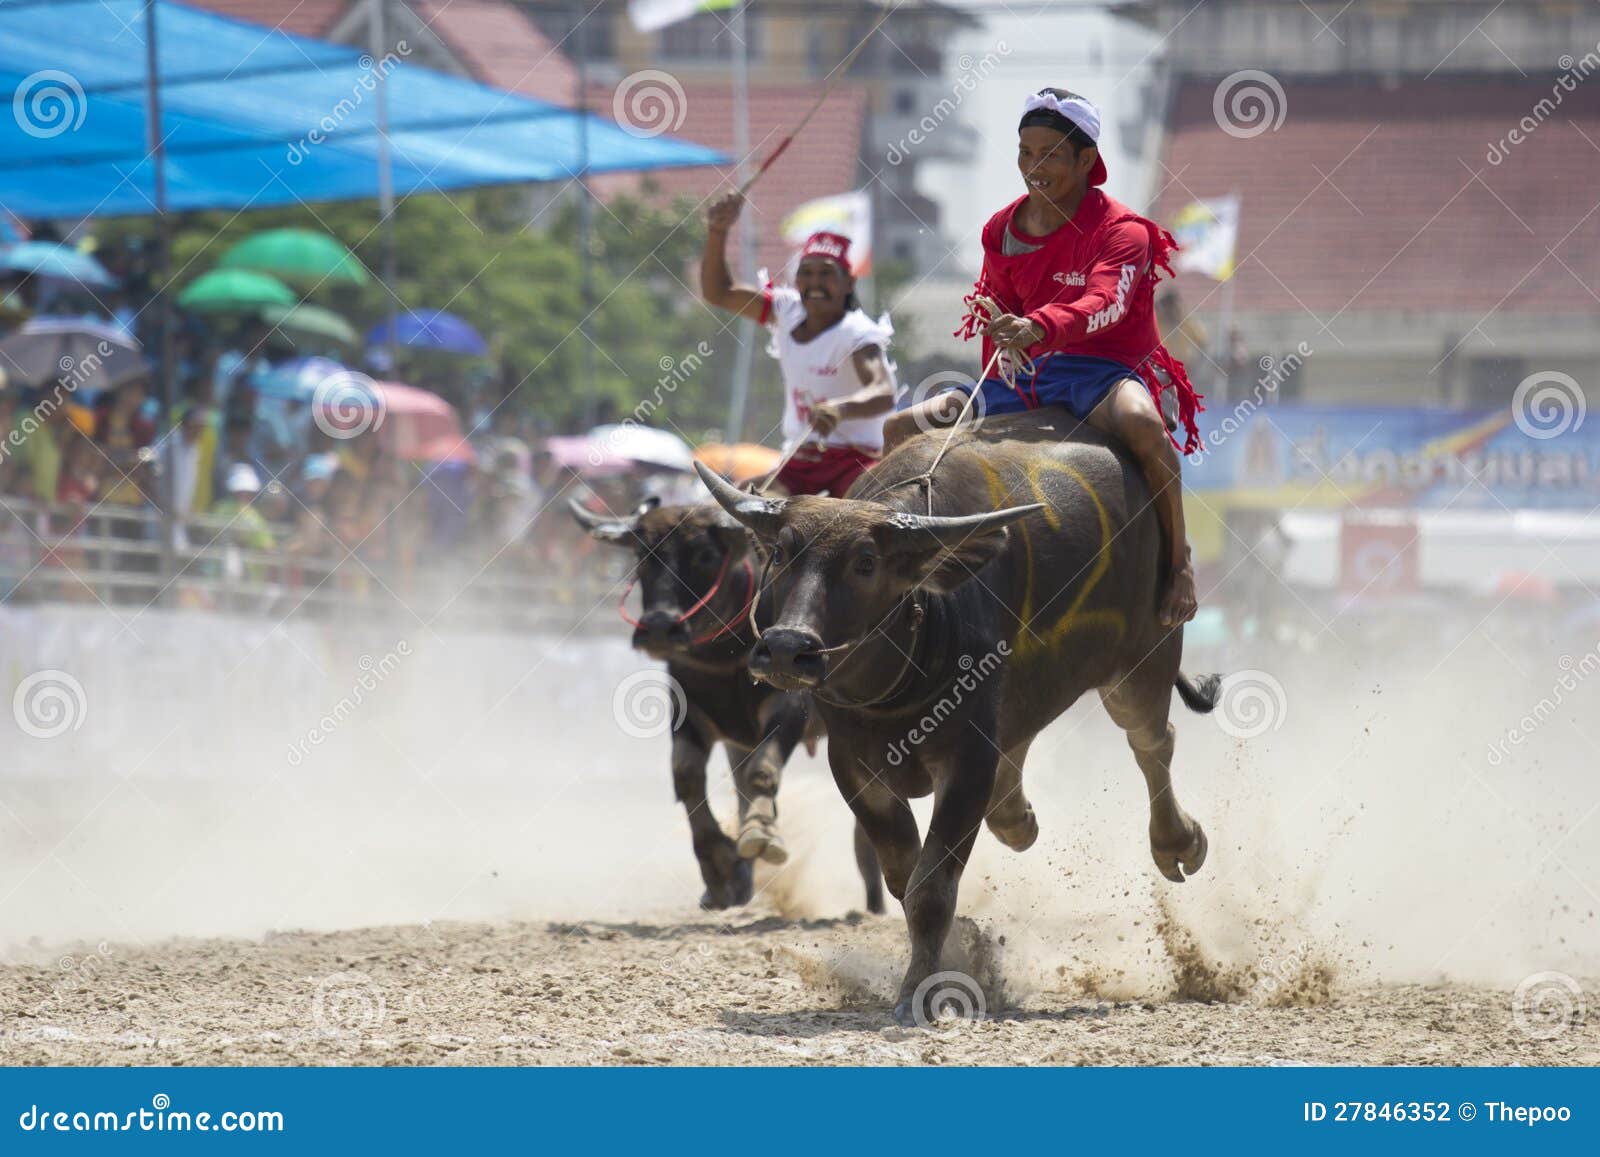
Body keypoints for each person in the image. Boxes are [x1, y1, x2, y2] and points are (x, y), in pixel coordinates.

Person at [884, 88, 1203, 626]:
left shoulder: (1123, 232)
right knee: (899, 431)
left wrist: (1035, 325)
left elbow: (1104, 303)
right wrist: (1006, 330)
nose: (1034, 167)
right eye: (1025, 152)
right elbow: (1001, 312)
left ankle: (1180, 565)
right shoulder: (1000, 230)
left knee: (1144, 425)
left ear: (1086, 161)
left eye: (1051, 154)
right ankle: (890, 576)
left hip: (1102, 371)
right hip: (1024, 376)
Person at [701, 198, 896, 496]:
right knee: (745, 503)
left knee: (862, 512)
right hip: (802, 457)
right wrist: (717, 231)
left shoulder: (857, 333)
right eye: (807, 272)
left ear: (848, 284)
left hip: (856, 459)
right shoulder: (785, 310)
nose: (814, 283)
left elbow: (883, 393)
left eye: (827, 273)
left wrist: (839, 410)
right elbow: (719, 293)